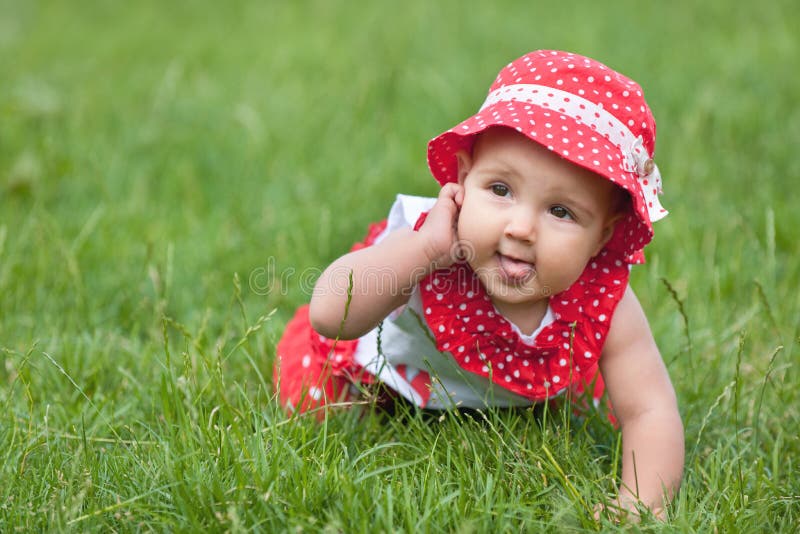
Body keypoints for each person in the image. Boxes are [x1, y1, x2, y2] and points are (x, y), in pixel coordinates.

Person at [274, 50, 684, 518]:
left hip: (512, 395)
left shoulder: (599, 297)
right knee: (324, 403)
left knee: (583, 406)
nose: (521, 228)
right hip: (389, 378)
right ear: (465, 180)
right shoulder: (428, 245)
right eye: (501, 190)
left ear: (603, 237)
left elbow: (649, 408)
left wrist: (641, 504)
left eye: (561, 212)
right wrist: (422, 253)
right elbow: (330, 313)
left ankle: (522, 401)